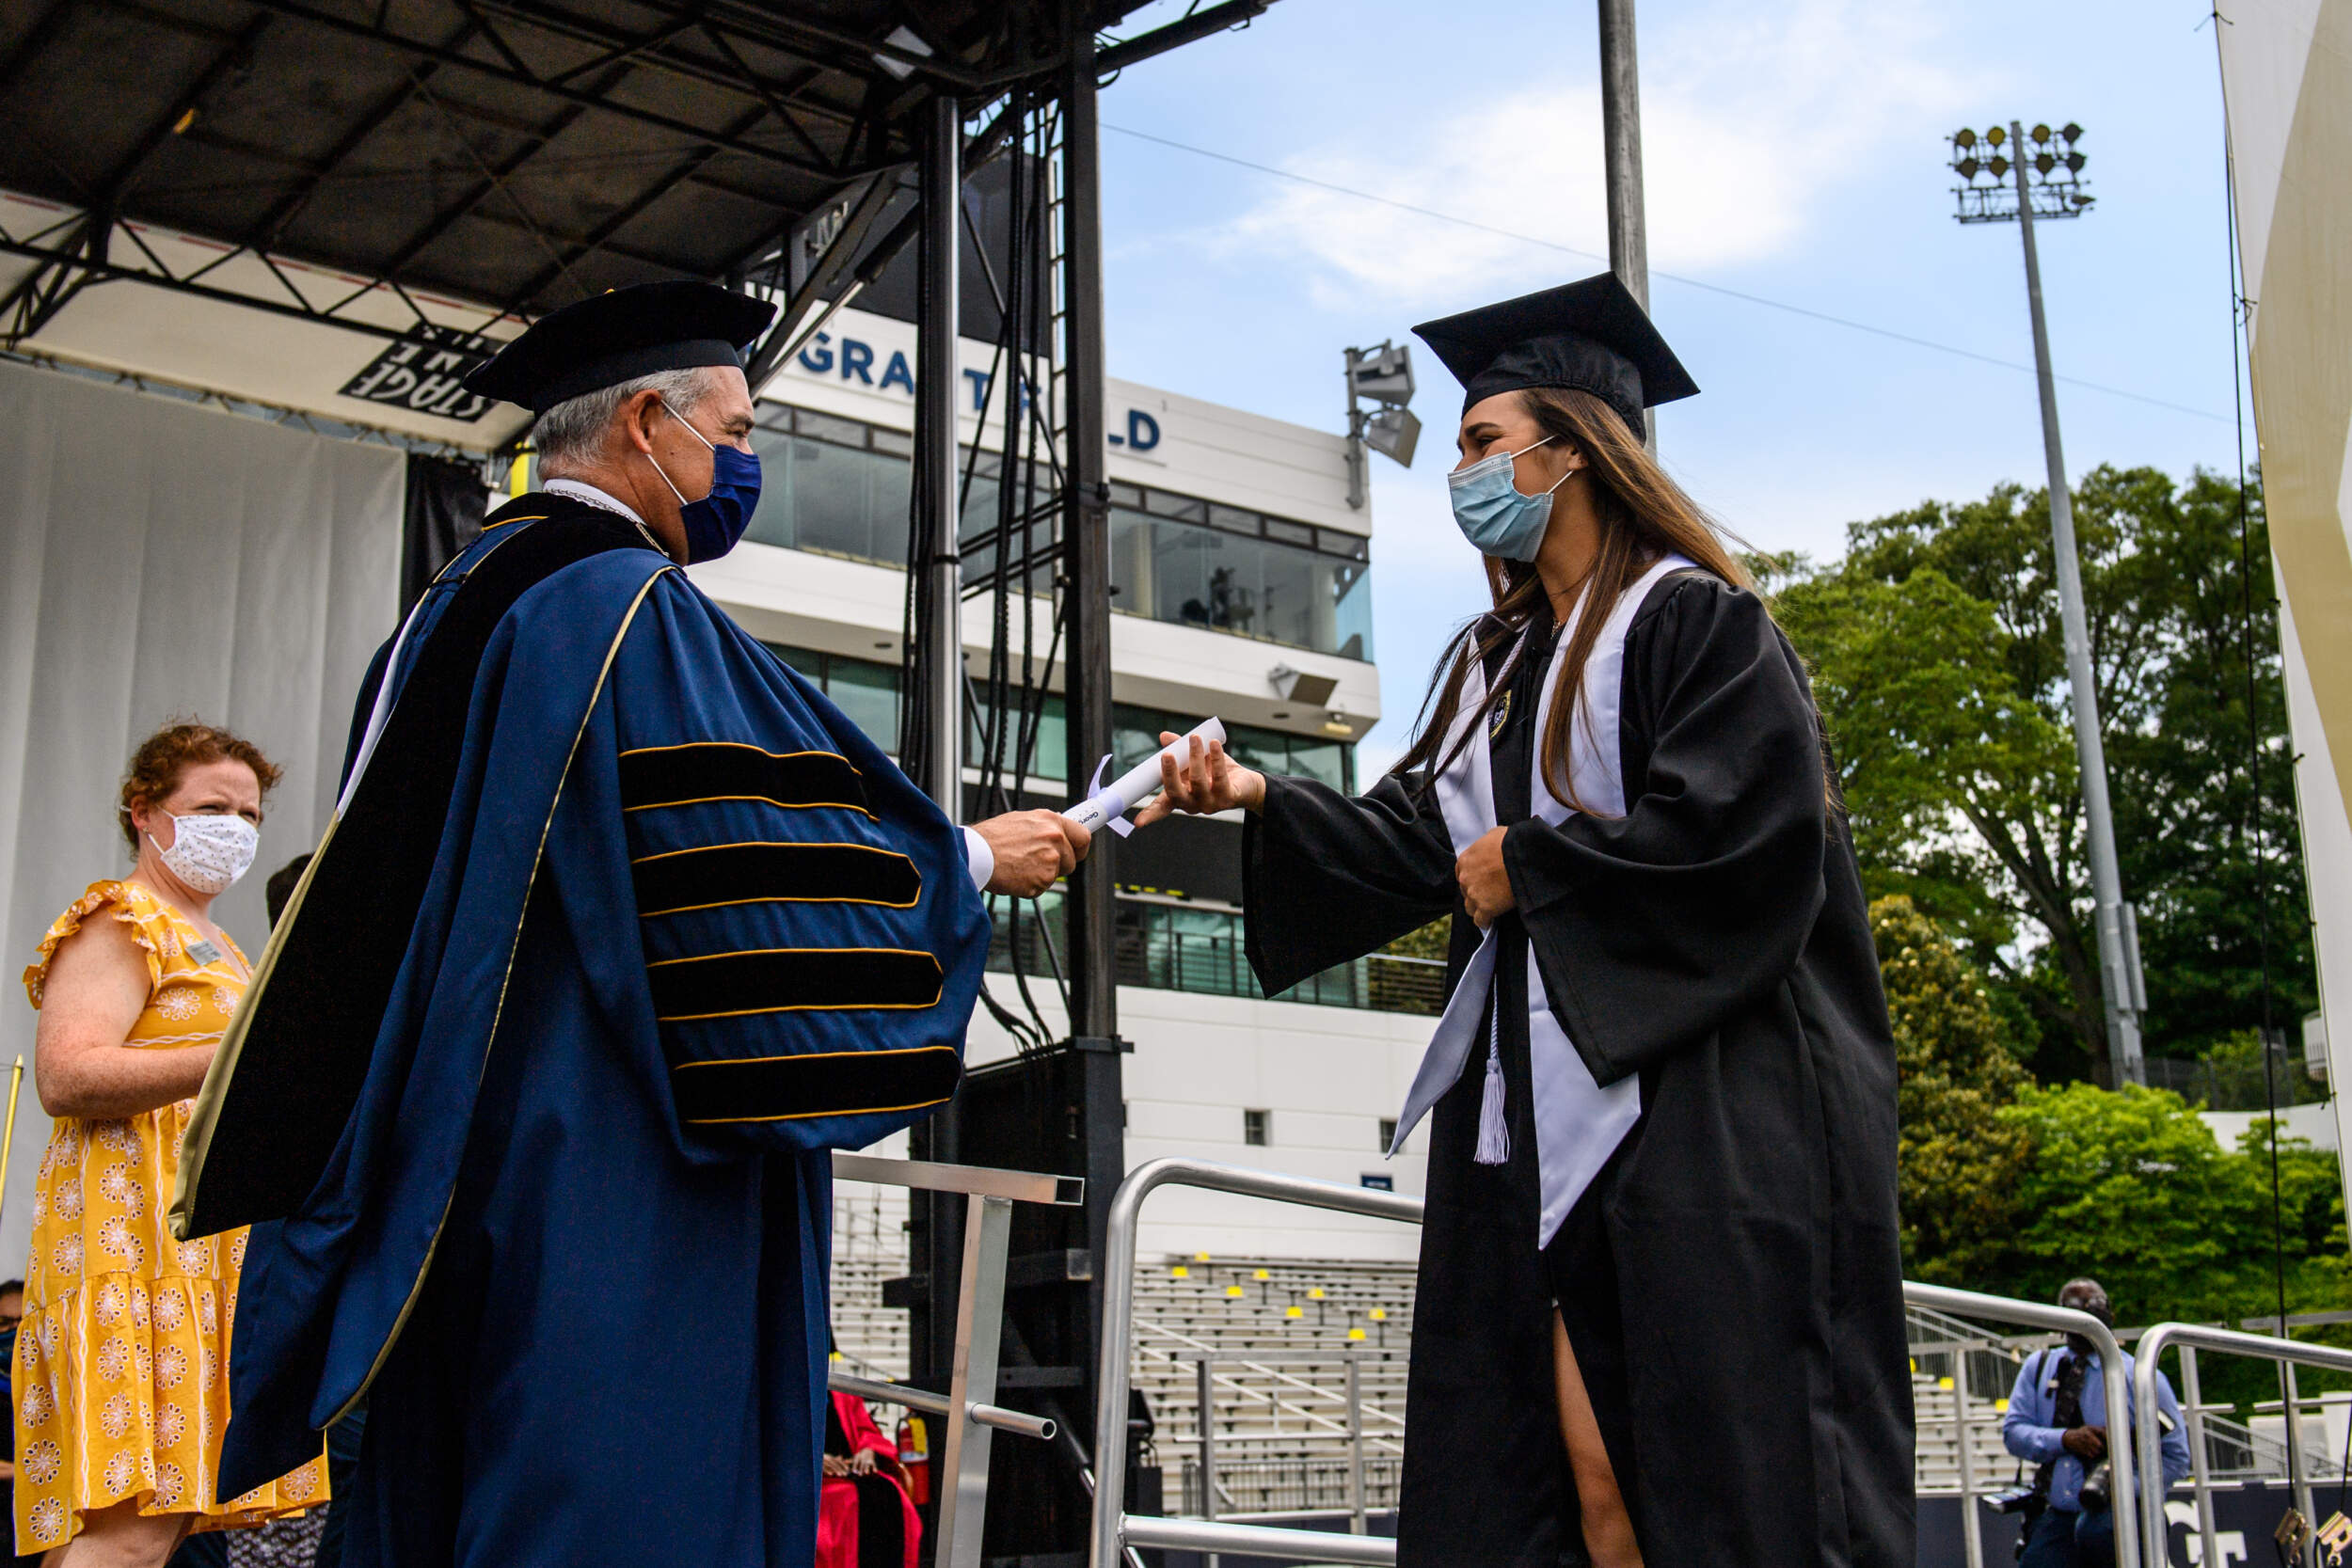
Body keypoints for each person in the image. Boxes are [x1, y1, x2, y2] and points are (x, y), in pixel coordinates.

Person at [169, 280, 1089, 1568]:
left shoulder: (445, 613)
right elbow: (757, 889)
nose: (747, 463)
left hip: (447, 1176)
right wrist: (972, 857)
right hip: (610, 1181)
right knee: (609, 1504)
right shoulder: (624, 614)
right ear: (650, 421)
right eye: (740, 428)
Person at [1140, 274, 1914, 1567]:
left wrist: (1538, 871)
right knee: (1568, 1477)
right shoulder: (1492, 663)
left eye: (1483, 443)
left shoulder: (1698, 626)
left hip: (1694, 1106)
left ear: (1576, 449)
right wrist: (1254, 788)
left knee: (1701, 1477)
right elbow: (1419, 842)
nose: (1461, 472)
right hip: (1527, 1122)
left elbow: (1741, 844)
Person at [17, 724, 326, 1561]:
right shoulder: (122, 916)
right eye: (211, 807)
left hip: (196, 1257)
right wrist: (237, 1059)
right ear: (146, 814)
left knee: (136, 1527)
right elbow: (67, 1075)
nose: (236, 825)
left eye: (250, 812)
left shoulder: (222, 944)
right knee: (131, 1532)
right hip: (133, 1247)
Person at [2001, 1279, 2190, 1567]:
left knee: (2096, 1533)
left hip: (2118, 1516)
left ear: (2111, 1316)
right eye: (2076, 1308)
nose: (2089, 1316)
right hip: (2056, 1514)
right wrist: (2065, 1439)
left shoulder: (2138, 1376)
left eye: (2097, 1307)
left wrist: (2123, 1484)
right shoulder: (2038, 1367)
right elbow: (2014, 1434)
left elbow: (2175, 1456)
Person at [816, 1392, 920, 1568]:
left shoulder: (840, 1392)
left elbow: (866, 1429)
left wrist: (868, 1450)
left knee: (891, 1493)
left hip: (851, 1471)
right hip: (810, 1481)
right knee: (844, 1502)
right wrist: (813, 1458)